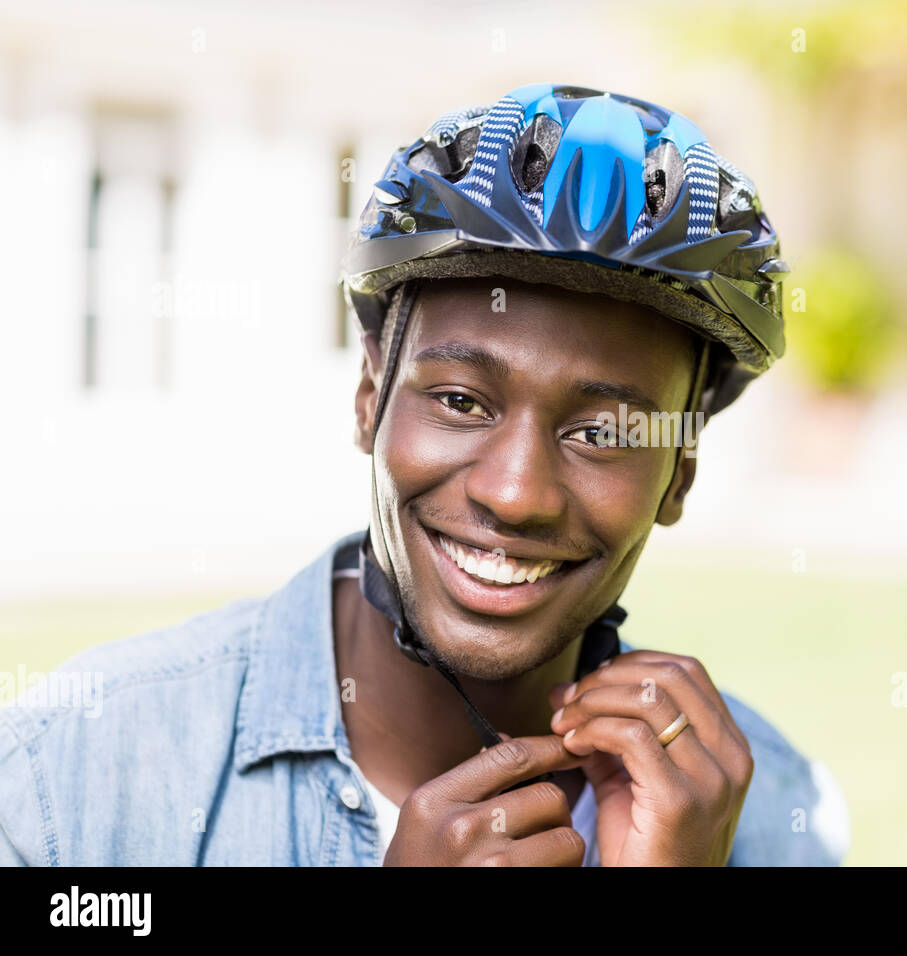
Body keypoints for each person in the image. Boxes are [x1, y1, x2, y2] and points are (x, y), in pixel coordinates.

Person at [0, 83, 850, 866]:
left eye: (602, 431)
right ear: (371, 395)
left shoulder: (774, 813)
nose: (514, 493)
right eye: (460, 401)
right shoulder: (67, 780)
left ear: (679, 473)